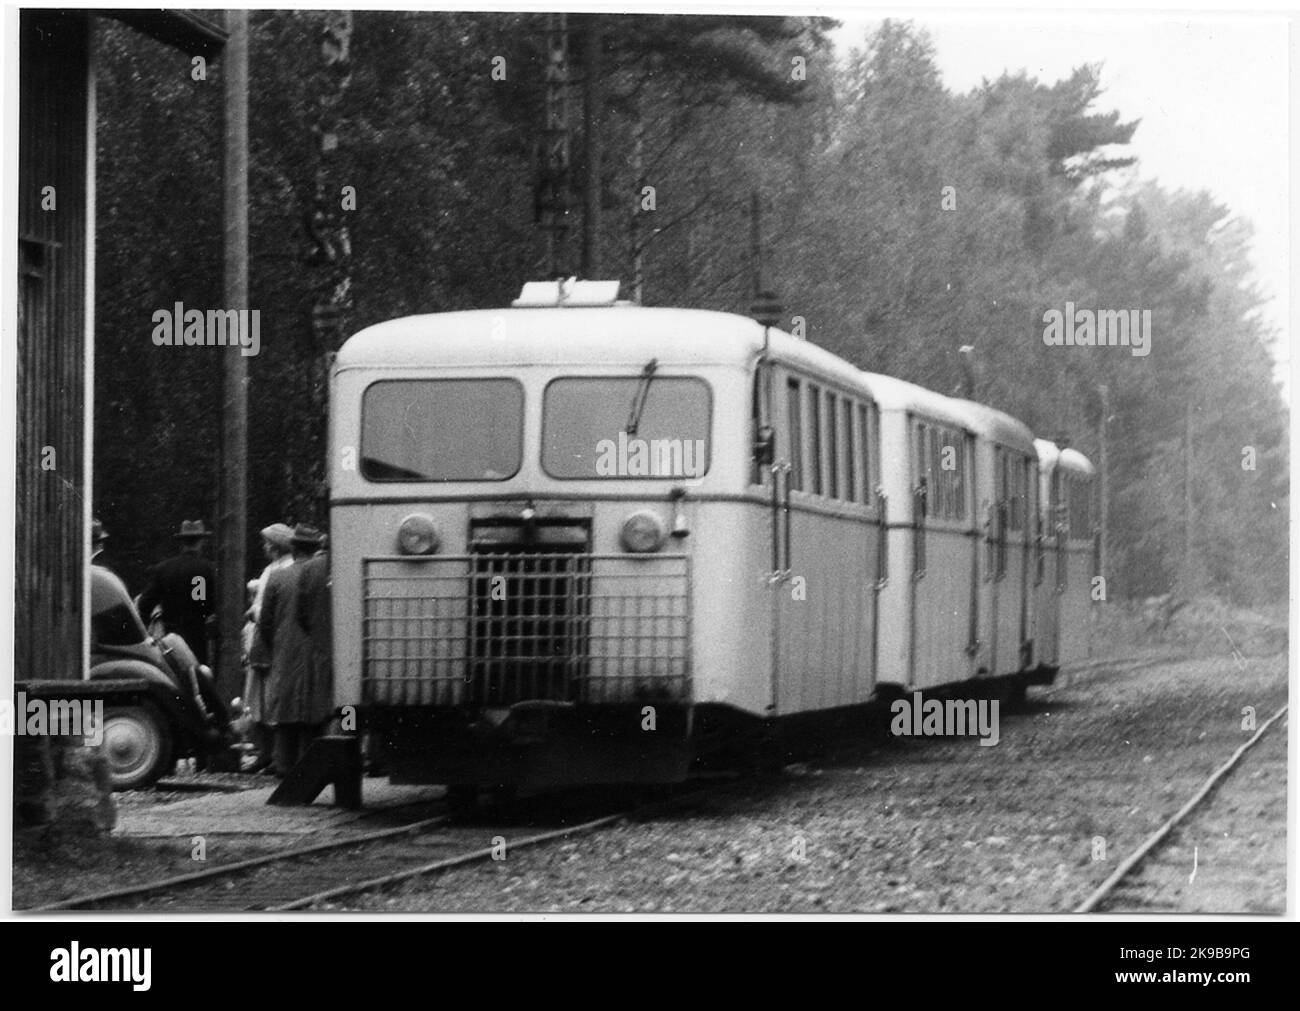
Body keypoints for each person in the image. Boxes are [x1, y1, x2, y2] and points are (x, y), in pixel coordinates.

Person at [257, 524, 329, 776]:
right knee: (315, 708)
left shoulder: (277, 577)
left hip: (284, 649)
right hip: (318, 649)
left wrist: (273, 644)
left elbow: (264, 621)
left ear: (294, 548)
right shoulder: (324, 575)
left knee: (285, 709)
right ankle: (313, 766)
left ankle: (283, 764)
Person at [243, 523, 294, 772]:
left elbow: (267, 608)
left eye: (266, 543)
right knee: (260, 698)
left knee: (269, 697)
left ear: (274, 546)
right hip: (262, 636)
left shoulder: (281, 570)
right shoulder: (271, 569)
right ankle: (266, 752)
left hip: (269, 637)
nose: (264, 547)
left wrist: (255, 614)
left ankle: (274, 754)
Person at [137, 520, 217, 665]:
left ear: (181, 542)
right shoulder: (207, 569)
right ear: (201, 542)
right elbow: (209, 604)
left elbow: (144, 604)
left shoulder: (163, 569)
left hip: (170, 639)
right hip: (198, 638)